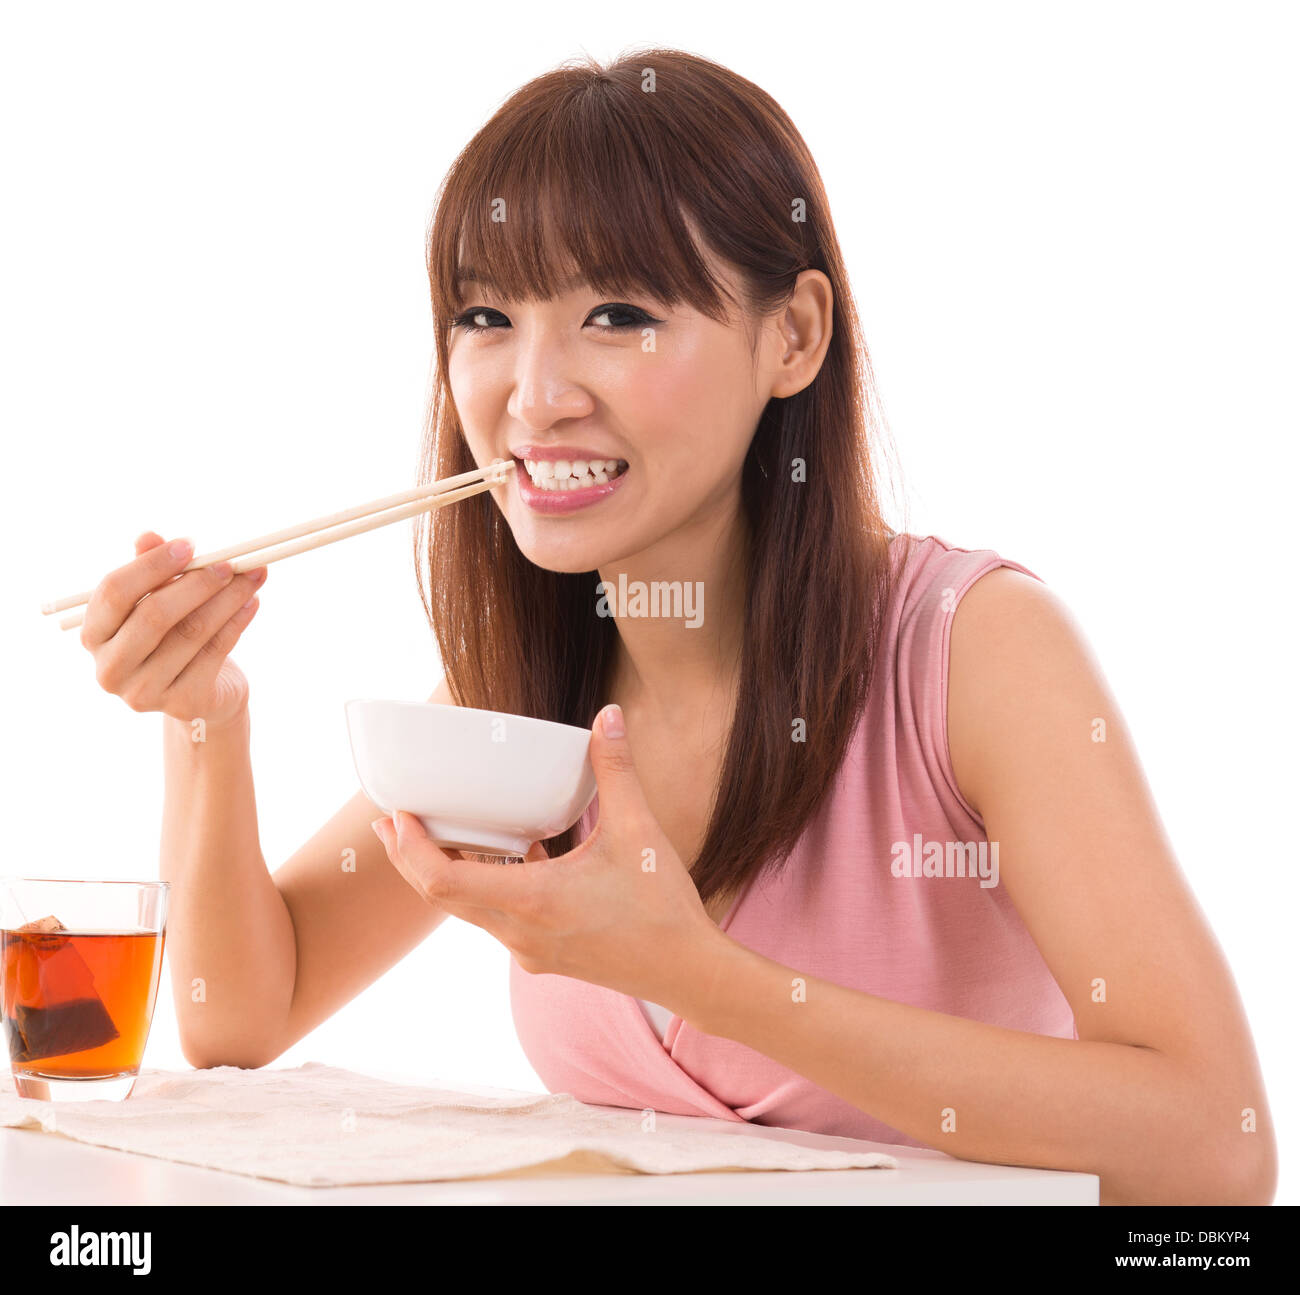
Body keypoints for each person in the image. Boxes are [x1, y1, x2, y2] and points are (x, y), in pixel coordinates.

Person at [79, 48, 1275, 1205]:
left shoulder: (973, 648)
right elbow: (240, 1013)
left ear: (792, 336)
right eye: (486, 315)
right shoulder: (519, 705)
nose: (533, 396)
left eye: (616, 313)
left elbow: (1215, 1145)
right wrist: (205, 719)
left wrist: (696, 977)